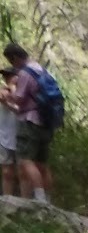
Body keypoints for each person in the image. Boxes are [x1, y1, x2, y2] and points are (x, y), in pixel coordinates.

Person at [2, 44, 55, 203]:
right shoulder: (41, 69)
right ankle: (49, 199)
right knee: (41, 163)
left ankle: (40, 200)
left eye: (12, 62)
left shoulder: (25, 73)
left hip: (31, 121)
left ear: (16, 58)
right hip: (47, 121)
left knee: (25, 161)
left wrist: (9, 95)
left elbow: (19, 99)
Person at [0, 67, 17, 198]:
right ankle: (7, 199)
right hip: (4, 137)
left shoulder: (27, 92)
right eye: (5, 76)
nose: (7, 78)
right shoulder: (4, 92)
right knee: (6, 171)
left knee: (24, 170)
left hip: (21, 136)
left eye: (10, 75)